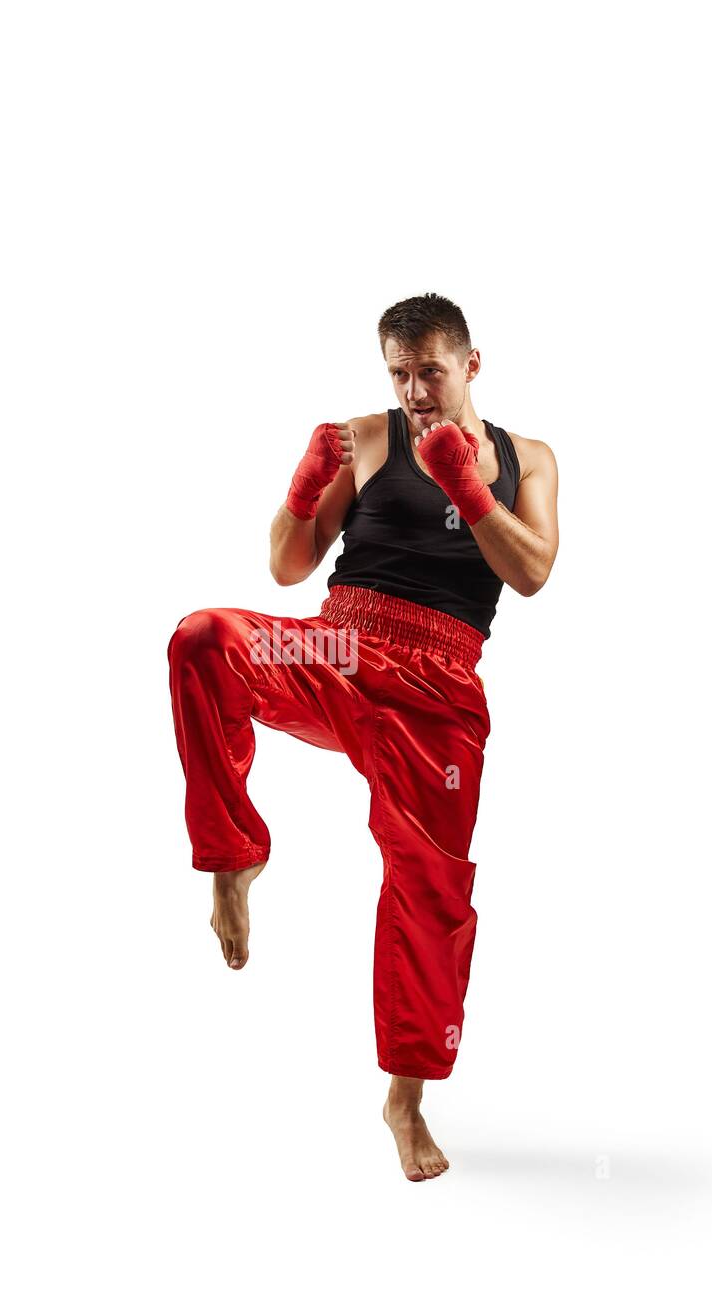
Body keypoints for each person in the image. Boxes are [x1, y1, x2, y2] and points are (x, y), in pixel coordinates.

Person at [167, 292, 559, 1181]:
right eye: (399, 373)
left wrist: (469, 489)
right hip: (341, 642)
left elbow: (532, 571)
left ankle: (405, 1098)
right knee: (204, 641)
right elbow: (288, 564)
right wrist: (303, 491)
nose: (415, 389)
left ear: (470, 365)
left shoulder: (527, 458)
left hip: (443, 686)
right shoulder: (368, 436)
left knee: (432, 893)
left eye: (430, 370)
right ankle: (232, 855)